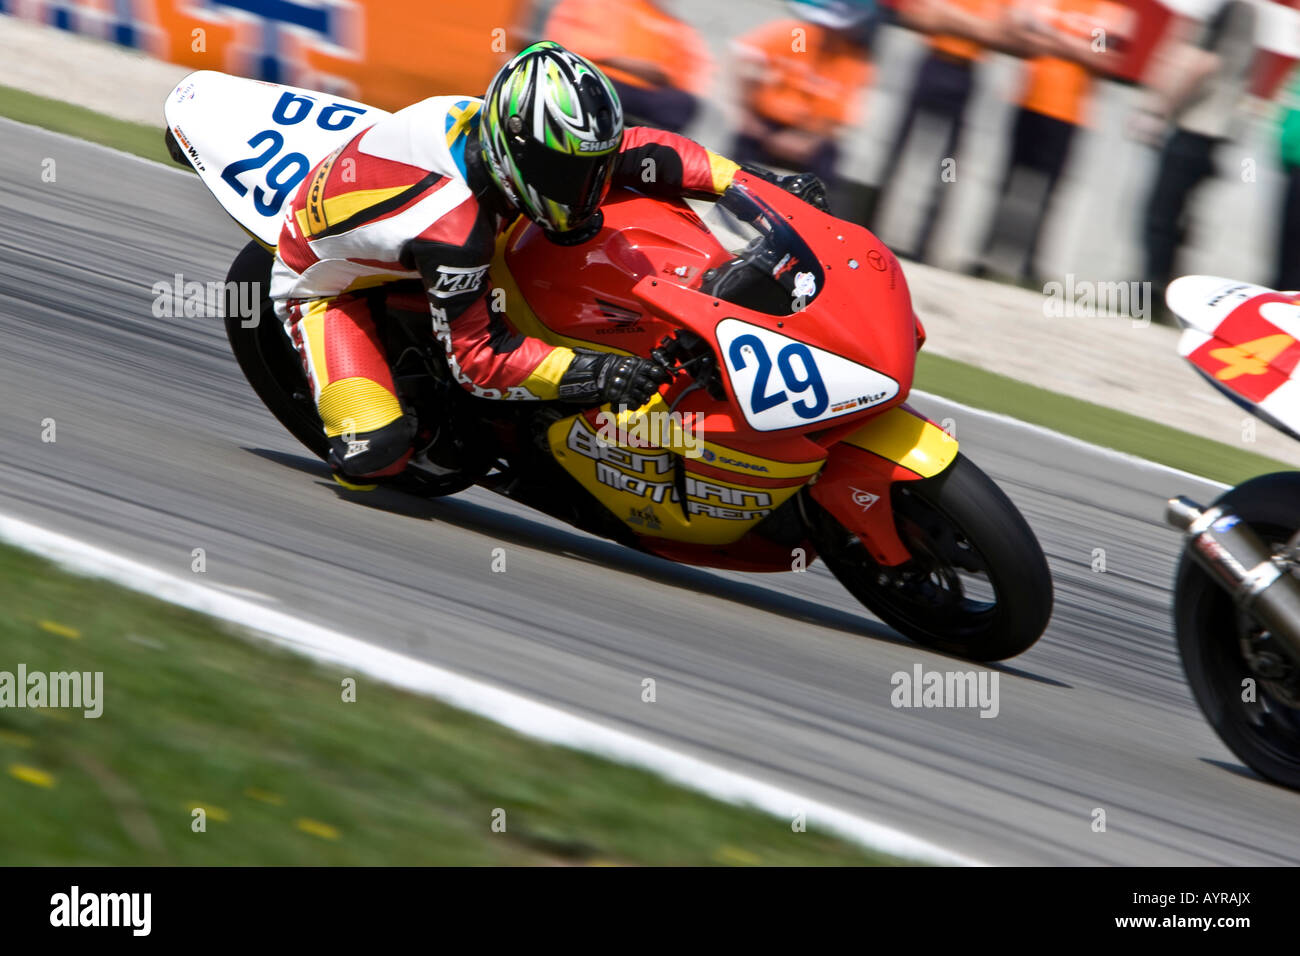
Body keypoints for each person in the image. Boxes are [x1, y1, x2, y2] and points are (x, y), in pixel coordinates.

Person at [271, 41, 807, 486]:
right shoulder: (455, 231)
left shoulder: (534, 141)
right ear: (515, 157)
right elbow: (478, 362)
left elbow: (646, 150)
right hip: (323, 287)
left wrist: (758, 188)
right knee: (376, 458)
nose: (589, 189)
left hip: (415, 208)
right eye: (570, 176)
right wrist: (600, 371)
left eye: (592, 167)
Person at [971, 0, 1124, 283]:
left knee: (1049, 194)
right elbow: (1017, 34)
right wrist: (1076, 46)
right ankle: (987, 254)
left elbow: (1103, 58)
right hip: (1028, 99)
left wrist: (1053, 38)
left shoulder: (1109, 11)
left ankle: (1030, 264)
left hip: (1069, 113)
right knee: (1006, 183)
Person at [1132, 0, 1257, 304]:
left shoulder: (1228, 7)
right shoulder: (1248, 12)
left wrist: (1159, 108)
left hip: (1195, 124)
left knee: (1161, 212)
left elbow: (1202, 63)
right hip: (1216, 130)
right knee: (1178, 216)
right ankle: (1170, 289)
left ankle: (1154, 290)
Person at [874, 0, 1010, 261]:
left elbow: (995, 34)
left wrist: (949, 16)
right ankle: (874, 231)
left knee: (947, 165)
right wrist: (972, 25)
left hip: (965, 73)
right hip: (933, 63)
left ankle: (923, 245)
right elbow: (919, 17)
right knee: (897, 152)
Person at [730, 0, 877, 195]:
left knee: (826, 160)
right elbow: (747, 58)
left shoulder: (852, 58)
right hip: (766, 125)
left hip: (810, 136)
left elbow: (840, 116)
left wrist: (806, 140)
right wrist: (747, 116)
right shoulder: (799, 38)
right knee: (740, 163)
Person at [541, 0, 712, 133]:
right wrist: (628, 65)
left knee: (682, 104)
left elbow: (690, 74)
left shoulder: (675, 26)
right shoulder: (598, 4)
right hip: (601, 80)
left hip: (651, 96)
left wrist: (660, 74)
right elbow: (568, 46)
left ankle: (650, 157)